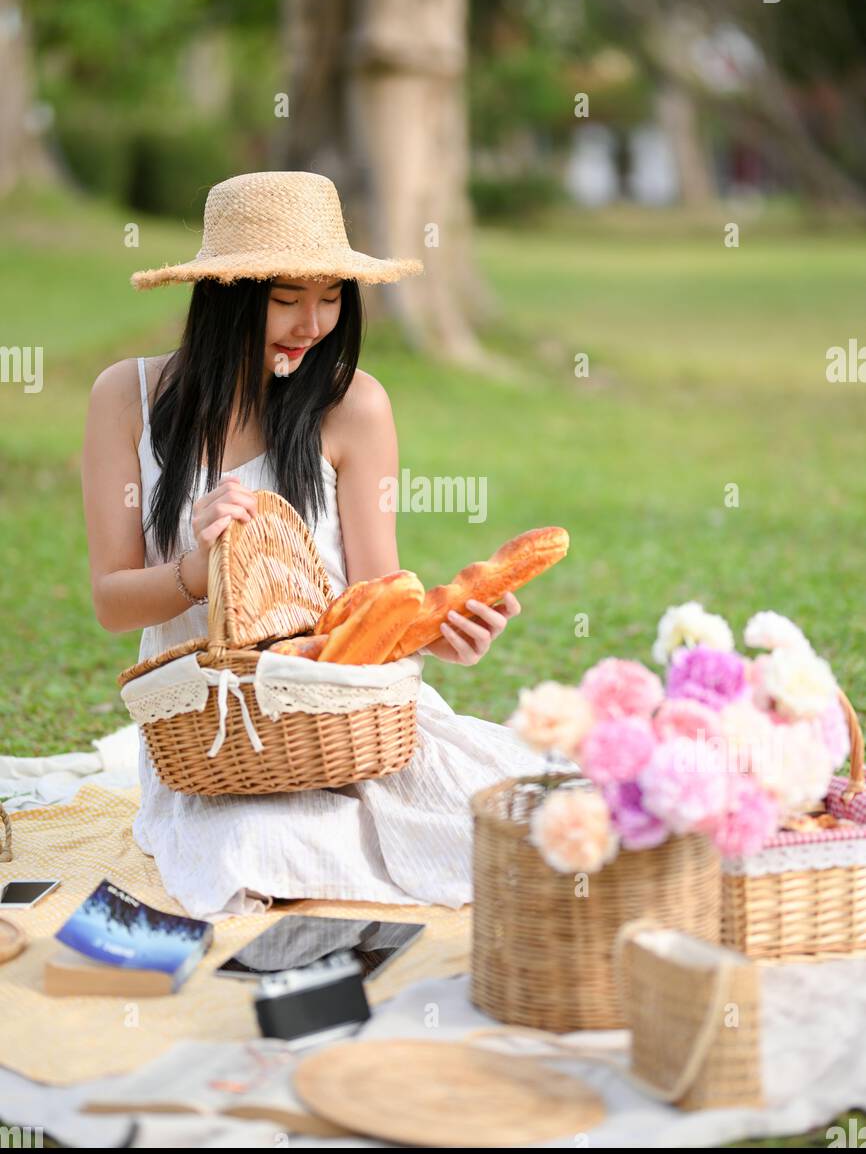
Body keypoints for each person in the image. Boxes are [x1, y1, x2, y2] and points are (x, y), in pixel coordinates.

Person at [81, 170, 555, 919]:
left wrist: (439, 636)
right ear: (226, 295)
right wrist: (199, 573)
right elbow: (112, 601)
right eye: (286, 299)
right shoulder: (126, 398)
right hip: (215, 732)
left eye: (332, 297)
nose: (313, 324)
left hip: (342, 714)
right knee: (253, 851)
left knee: (513, 828)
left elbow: (377, 593)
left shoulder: (353, 406)